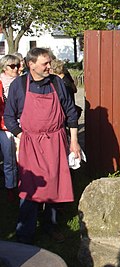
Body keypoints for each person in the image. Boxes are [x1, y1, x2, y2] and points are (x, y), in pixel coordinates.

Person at [4, 47, 81, 244]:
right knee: (30, 185)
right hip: (31, 142)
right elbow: (9, 117)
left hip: (56, 140)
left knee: (55, 183)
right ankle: (25, 232)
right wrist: (22, 136)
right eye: (45, 63)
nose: (49, 66)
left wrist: (73, 142)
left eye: (49, 62)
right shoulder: (19, 86)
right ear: (31, 65)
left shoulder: (57, 83)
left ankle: (51, 225)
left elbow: (71, 113)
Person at [0, 54, 20, 202]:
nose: (16, 69)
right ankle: (10, 188)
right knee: (9, 159)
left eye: (18, 65)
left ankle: (24, 186)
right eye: (12, 66)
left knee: (23, 158)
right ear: (4, 68)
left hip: (22, 124)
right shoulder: (0, 83)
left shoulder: (23, 81)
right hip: (4, 126)